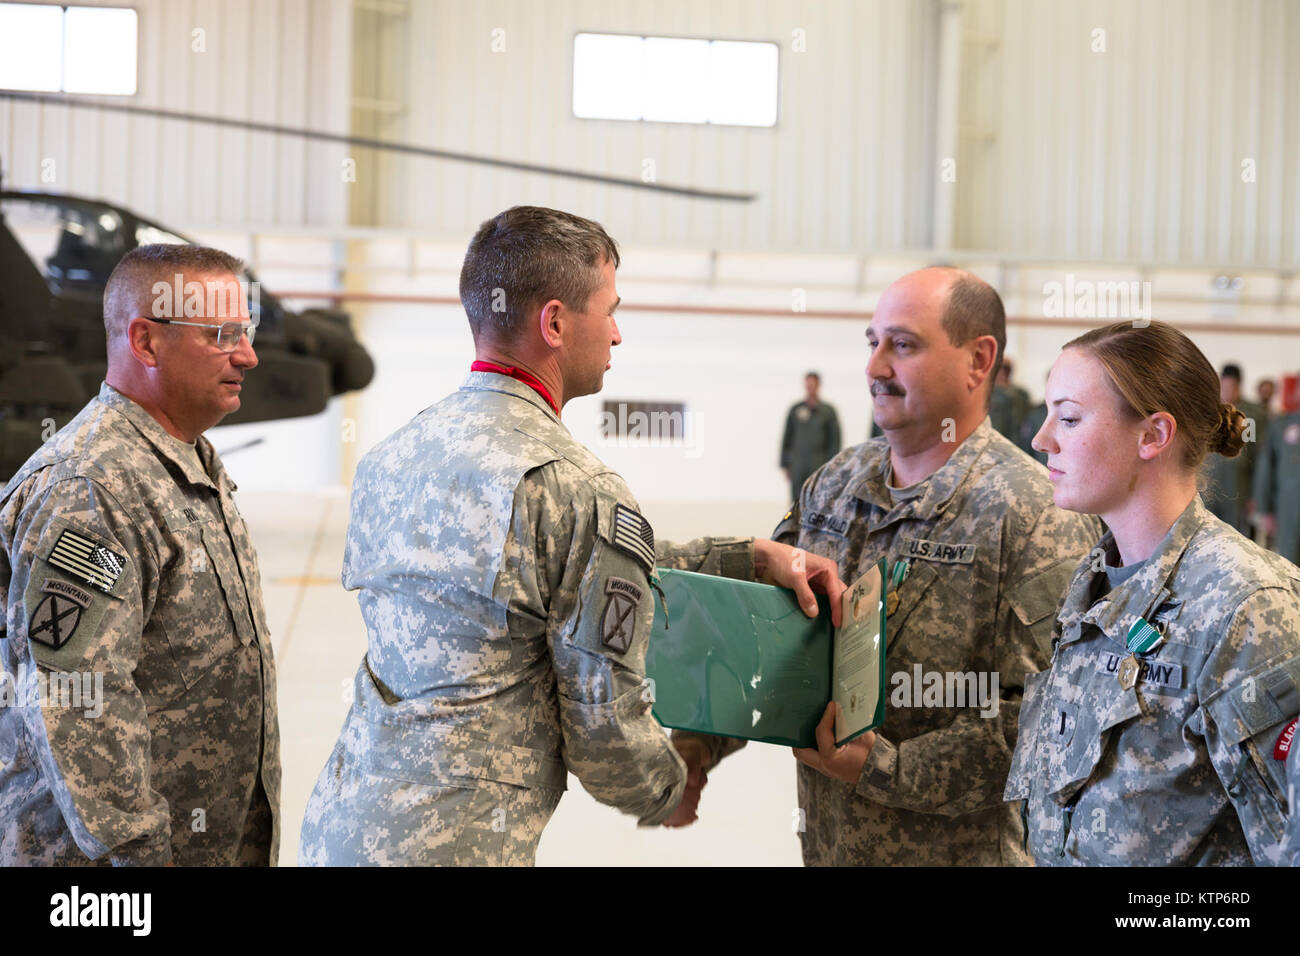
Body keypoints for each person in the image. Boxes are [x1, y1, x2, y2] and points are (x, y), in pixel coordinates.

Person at [298, 206, 843, 866]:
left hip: (340, 824)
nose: (617, 334)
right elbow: (602, 723)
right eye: (608, 310)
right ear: (554, 323)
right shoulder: (575, 485)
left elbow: (566, 571)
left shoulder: (392, 456)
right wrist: (666, 790)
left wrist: (746, 557)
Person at [673, 268, 1098, 865]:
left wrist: (886, 769)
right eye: (872, 343)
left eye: (903, 345)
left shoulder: (1032, 514)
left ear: (979, 361)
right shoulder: (835, 484)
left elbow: (1049, 724)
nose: (875, 367)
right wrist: (698, 745)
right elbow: (767, 643)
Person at [0, 244, 281, 865]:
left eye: (246, 332)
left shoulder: (184, 460)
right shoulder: (92, 488)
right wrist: (141, 857)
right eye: (222, 334)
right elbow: (76, 693)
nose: (248, 355)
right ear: (146, 342)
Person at [1005, 321, 1300, 865]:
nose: (1041, 440)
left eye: (1068, 418)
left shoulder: (1248, 606)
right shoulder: (1094, 582)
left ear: (1152, 435)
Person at [1203, 364, 1265, 535]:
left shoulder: (1251, 416)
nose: (1226, 392)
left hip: (1240, 485)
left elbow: (1260, 458)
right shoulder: (1208, 411)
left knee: (1236, 534)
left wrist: (1256, 495)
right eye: (1223, 387)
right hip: (1211, 482)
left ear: (1239, 386)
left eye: (1230, 387)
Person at [780, 372, 841, 503]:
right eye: (808, 384)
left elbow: (835, 440)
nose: (810, 387)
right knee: (796, 500)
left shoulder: (828, 411)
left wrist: (834, 465)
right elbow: (787, 437)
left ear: (818, 385)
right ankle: (795, 524)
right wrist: (785, 464)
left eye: (813, 384)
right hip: (798, 463)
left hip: (820, 462)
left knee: (818, 499)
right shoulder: (796, 409)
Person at [1254, 406, 1300, 565]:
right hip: (1289, 511)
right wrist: (1265, 509)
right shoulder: (1281, 425)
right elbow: (1266, 468)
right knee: (1291, 564)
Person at [989, 357, 1032, 454]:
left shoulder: (1021, 394)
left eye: (1006, 368)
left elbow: (1030, 418)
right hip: (995, 445)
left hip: (1019, 445)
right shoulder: (987, 394)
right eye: (1000, 368)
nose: (1003, 372)